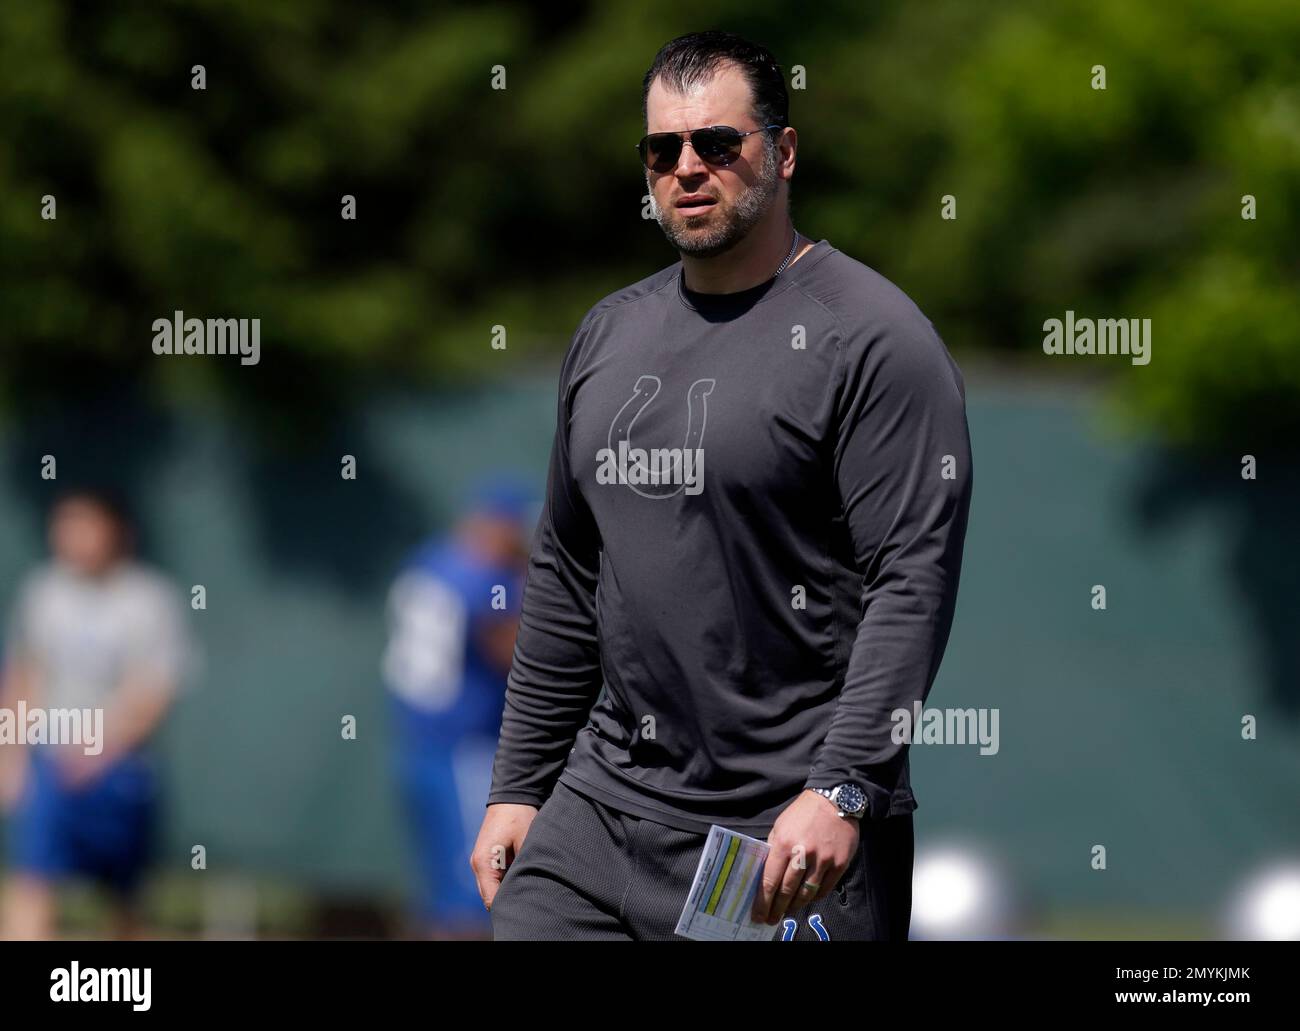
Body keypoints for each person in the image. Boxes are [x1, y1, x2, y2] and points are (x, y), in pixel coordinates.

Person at [472, 31, 974, 941]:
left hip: (780, 836)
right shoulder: (607, 335)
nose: (687, 168)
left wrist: (842, 788)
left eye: (717, 143)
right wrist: (518, 785)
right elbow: (567, 575)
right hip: (600, 815)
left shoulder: (873, 341)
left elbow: (914, 583)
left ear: (781, 153)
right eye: (663, 150)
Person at [0, 488, 190, 940]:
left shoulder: (150, 599)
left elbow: (154, 690)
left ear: (116, 531)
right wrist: (10, 755)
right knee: (31, 880)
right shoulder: (42, 593)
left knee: (125, 897)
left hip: (119, 768)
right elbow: (24, 678)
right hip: (50, 760)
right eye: (65, 524)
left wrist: (96, 749)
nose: (72, 536)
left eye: (85, 524)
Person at [383, 476, 533, 939]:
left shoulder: (429, 561)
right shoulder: (484, 576)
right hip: (464, 746)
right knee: (478, 883)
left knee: (442, 883)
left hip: (417, 740)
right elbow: (511, 651)